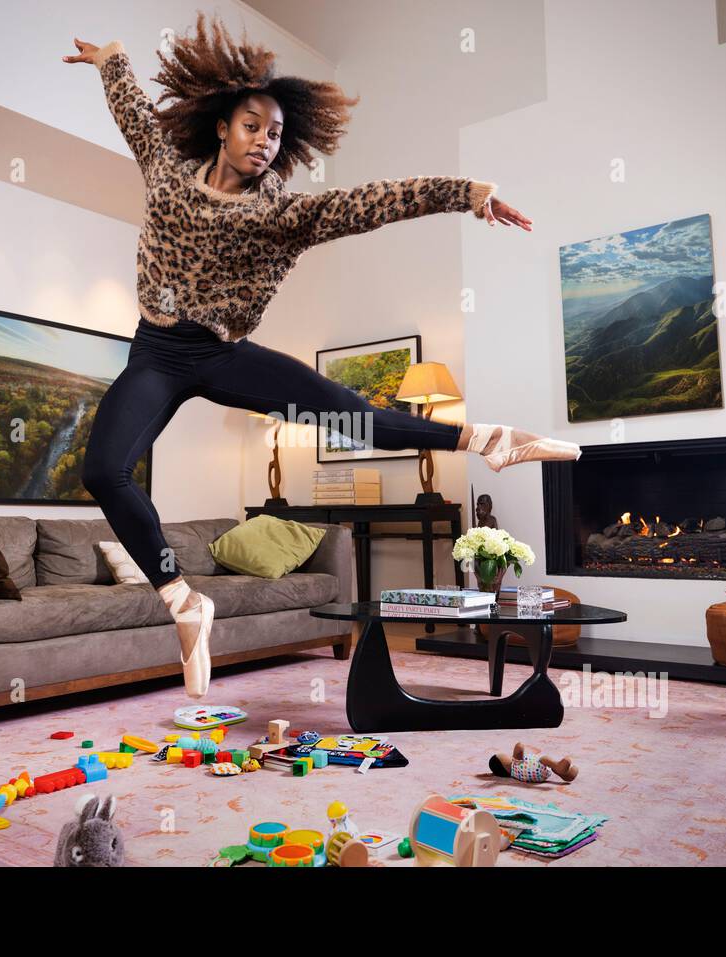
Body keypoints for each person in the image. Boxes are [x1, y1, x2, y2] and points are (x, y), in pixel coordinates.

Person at [63, 12, 581, 699]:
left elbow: (375, 202)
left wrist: (468, 193)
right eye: (253, 126)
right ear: (223, 125)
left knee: (352, 417)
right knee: (103, 469)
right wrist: (113, 58)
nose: (264, 142)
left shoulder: (286, 214)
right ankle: (185, 601)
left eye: (275, 134)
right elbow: (131, 111)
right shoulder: (165, 170)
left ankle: (488, 437)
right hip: (156, 351)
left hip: (224, 354)